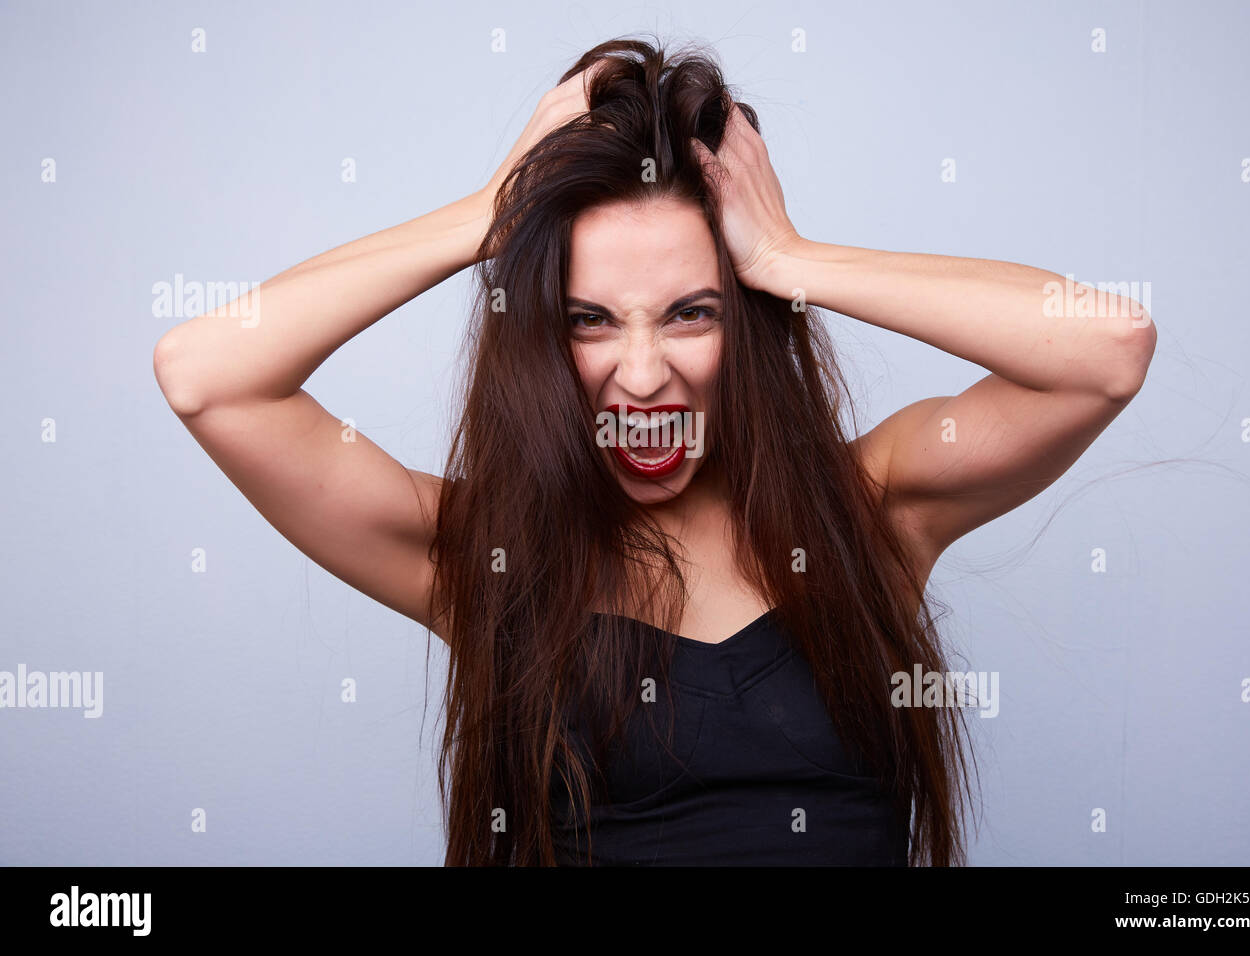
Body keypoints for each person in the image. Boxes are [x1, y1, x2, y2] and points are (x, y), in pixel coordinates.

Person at [153, 37, 1156, 866]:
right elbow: (207, 372)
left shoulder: (874, 508)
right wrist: (482, 215)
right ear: (544, 339)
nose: (641, 375)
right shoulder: (483, 555)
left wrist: (790, 259)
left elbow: (1103, 350)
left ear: (751, 322)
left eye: (691, 313)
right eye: (590, 320)